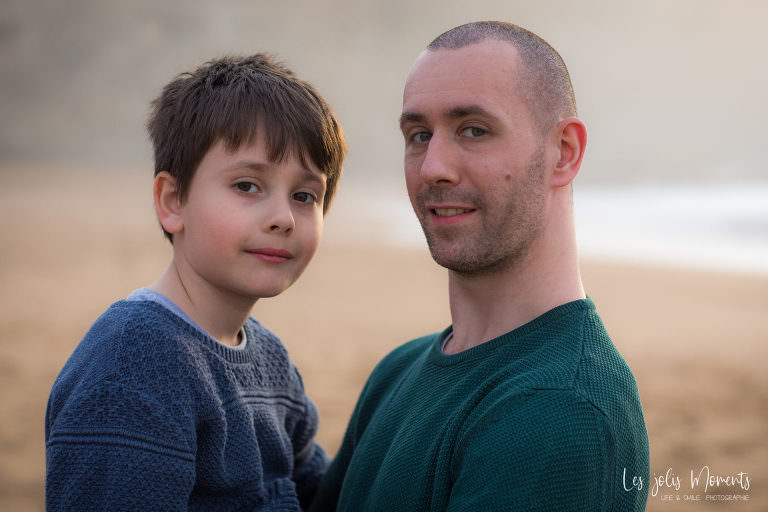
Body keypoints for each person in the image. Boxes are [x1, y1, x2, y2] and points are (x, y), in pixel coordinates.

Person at [310, 21, 649, 511]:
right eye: (419, 135)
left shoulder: (560, 409)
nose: (433, 167)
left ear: (564, 152)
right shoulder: (398, 369)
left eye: (474, 130)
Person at [45, 54, 346, 511]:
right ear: (173, 201)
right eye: (247, 186)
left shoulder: (271, 362)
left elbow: (317, 495)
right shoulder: (134, 365)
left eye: (305, 196)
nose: (283, 218)